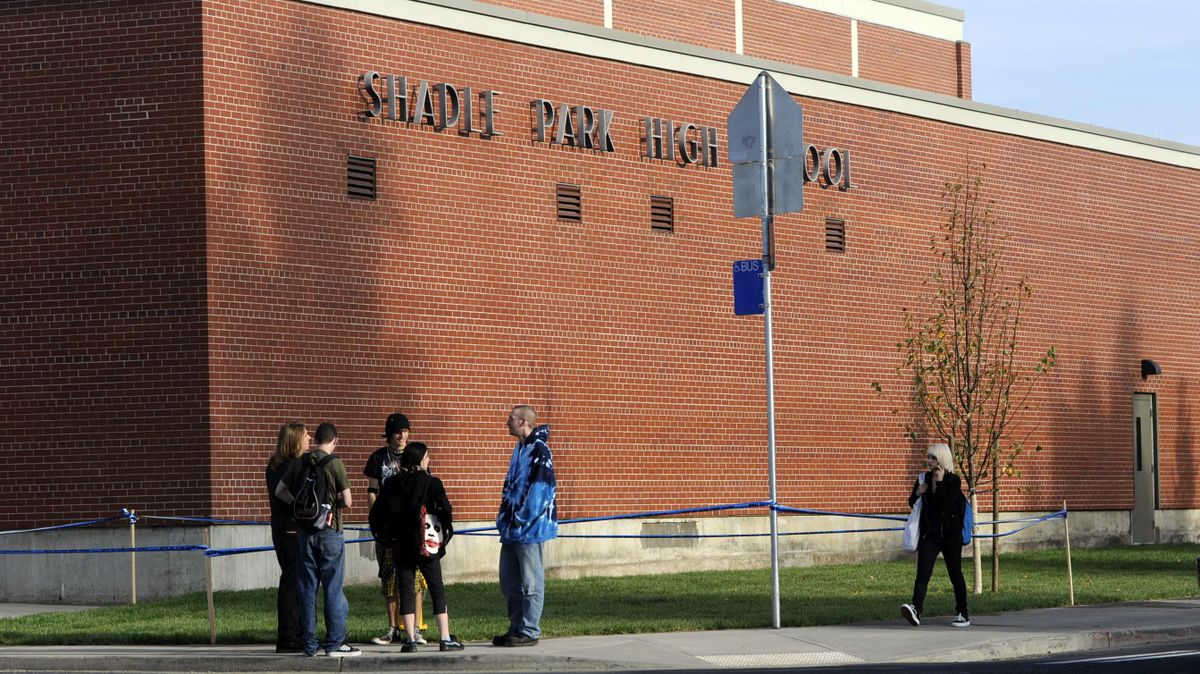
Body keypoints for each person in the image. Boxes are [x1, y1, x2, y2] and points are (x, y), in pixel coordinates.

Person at [275, 422, 360, 656]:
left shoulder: (301, 462)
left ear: (315, 441)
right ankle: (334, 643)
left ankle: (310, 645)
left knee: (306, 588)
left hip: (305, 533)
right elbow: (349, 500)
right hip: (331, 532)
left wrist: (300, 506)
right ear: (335, 441)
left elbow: (280, 490)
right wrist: (331, 507)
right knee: (332, 588)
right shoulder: (335, 464)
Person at [369, 442, 464, 652]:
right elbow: (447, 511)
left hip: (400, 545)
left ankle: (410, 640)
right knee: (436, 588)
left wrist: (386, 537)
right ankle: (445, 638)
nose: (429, 460)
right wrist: (443, 531)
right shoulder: (432, 483)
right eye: (427, 456)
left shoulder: (393, 484)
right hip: (425, 544)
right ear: (421, 459)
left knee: (406, 590)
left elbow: (376, 514)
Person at [493, 405, 557, 647]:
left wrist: (521, 517)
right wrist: (503, 517)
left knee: (531, 582)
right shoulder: (519, 449)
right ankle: (516, 627)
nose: (506, 422)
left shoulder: (540, 450)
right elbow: (509, 485)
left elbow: (542, 489)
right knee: (509, 581)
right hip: (511, 529)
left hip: (529, 529)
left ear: (522, 421)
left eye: (510, 418)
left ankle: (530, 631)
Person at [364, 413, 426, 647]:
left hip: (411, 529)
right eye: (398, 432)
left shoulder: (416, 455)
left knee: (416, 580)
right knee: (389, 579)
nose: (402, 435)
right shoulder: (378, 458)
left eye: (405, 431)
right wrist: (376, 522)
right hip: (388, 529)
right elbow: (372, 491)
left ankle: (416, 629)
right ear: (389, 435)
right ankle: (392, 629)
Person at [900, 442, 970, 628]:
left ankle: (963, 613)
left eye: (933, 457)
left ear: (942, 459)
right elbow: (911, 502)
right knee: (922, 575)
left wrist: (939, 483)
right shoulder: (923, 478)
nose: (929, 461)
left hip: (950, 537)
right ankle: (916, 609)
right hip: (929, 536)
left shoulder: (953, 480)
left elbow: (946, 505)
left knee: (955, 574)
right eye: (928, 457)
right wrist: (917, 493)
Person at [265, 421, 309, 654]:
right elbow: (297, 497)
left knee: (291, 579)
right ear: (294, 441)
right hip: (292, 528)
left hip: (280, 529)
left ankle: (295, 633)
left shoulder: (273, 466)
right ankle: (290, 636)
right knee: (293, 583)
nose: (309, 439)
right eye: (305, 436)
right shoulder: (293, 466)